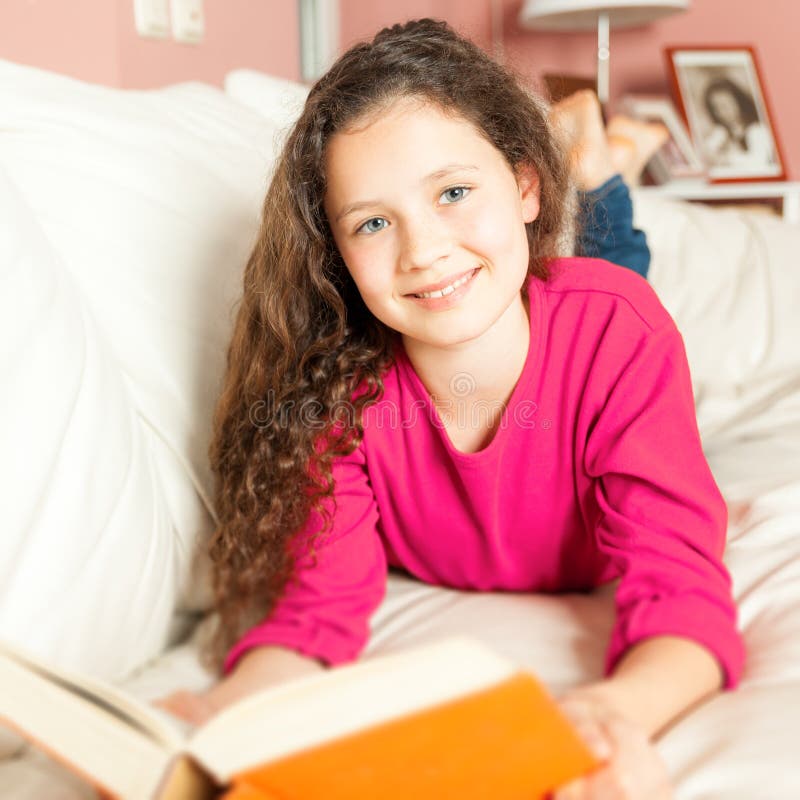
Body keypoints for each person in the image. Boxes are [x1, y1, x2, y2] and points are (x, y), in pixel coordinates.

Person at [156, 20, 744, 799]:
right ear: (338, 257)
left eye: (454, 193)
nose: (424, 250)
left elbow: (684, 594)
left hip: (589, 319)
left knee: (618, 270)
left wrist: (610, 712)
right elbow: (315, 614)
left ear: (526, 186)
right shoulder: (334, 392)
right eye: (373, 223)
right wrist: (219, 718)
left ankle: (602, 173)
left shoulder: (619, 334)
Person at [702, 76, 774, 169]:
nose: (722, 112)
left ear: (739, 101)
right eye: (716, 108)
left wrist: (727, 159)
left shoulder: (757, 129)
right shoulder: (721, 133)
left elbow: (759, 162)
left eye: (725, 104)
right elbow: (706, 157)